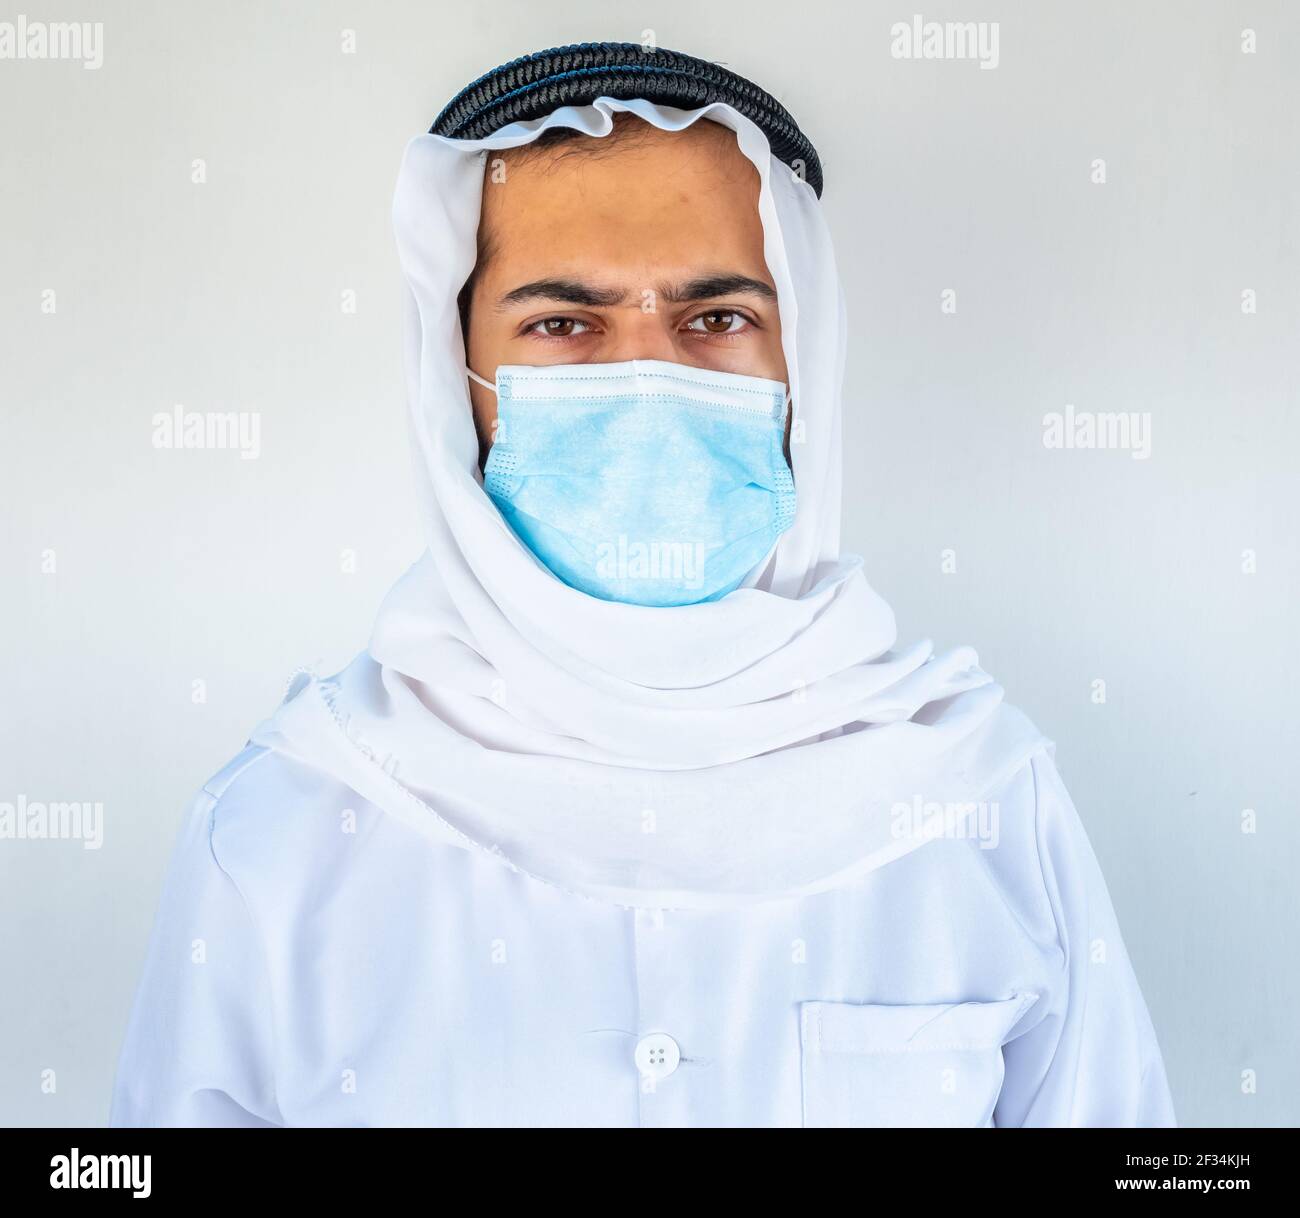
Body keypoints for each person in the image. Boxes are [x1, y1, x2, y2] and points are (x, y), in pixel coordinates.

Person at [109, 42, 1177, 1127]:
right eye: (563, 325)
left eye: (716, 320)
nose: (646, 379)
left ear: (800, 360)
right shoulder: (287, 827)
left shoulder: (978, 799)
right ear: (455, 380)